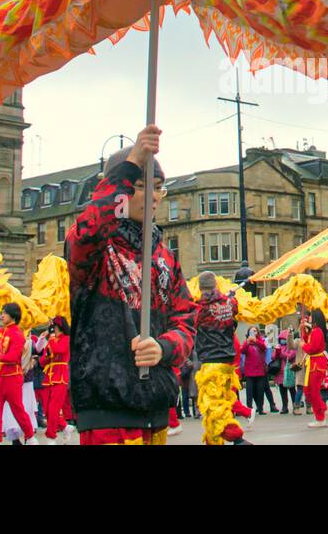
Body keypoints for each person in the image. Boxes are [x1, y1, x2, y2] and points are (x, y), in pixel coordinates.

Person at [64, 126, 196, 445]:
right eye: (140, 185)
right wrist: (132, 161)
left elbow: (187, 320)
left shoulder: (164, 254)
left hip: (156, 405)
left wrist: (164, 347)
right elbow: (91, 225)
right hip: (107, 410)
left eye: (159, 187)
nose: (152, 195)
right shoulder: (93, 247)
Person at [194, 272, 248, 444]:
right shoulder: (228, 302)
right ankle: (213, 441)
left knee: (212, 406)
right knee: (222, 403)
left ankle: (237, 439)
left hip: (211, 363)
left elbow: (191, 320)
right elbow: (235, 307)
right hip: (227, 362)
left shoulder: (199, 308)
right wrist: (228, 296)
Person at [0, 303, 34, 443]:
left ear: (13, 315)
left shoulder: (18, 334)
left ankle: (30, 435)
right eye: (1, 313)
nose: (1, 316)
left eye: (4, 313)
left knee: (17, 410)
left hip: (12, 378)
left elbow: (13, 357)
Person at [37, 317, 75, 443]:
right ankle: (65, 427)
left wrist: (52, 338)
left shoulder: (66, 339)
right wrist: (47, 356)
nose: (54, 330)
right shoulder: (52, 340)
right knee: (47, 409)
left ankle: (51, 436)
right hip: (49, 376)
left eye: (55, 328)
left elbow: (60, 350)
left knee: (54, 408)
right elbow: (42, 361)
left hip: (61, 375)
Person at [300, 309, 328, 428]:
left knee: (312, 391)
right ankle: (323, 410)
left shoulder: (317, 331)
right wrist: (303, 330)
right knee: (309, 391)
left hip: (316, 364)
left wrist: (303, 345)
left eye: (310, 317)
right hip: (314, 363)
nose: (308, 318)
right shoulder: (315, 331)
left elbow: (311, 348)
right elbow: (307, 339)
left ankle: (321, 415)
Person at [240, 327, 268, 414]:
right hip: (249, 371)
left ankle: (260, 408)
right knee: (249, 391)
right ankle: (249, 408)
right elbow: (242, 350)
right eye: (251, 331)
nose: (253, 332)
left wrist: (256, 340)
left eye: (255, 330)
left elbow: (264, 348)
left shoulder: (260, 341)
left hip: (260, 370)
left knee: (260, 391)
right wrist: (248, 342)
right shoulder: (247, 342)